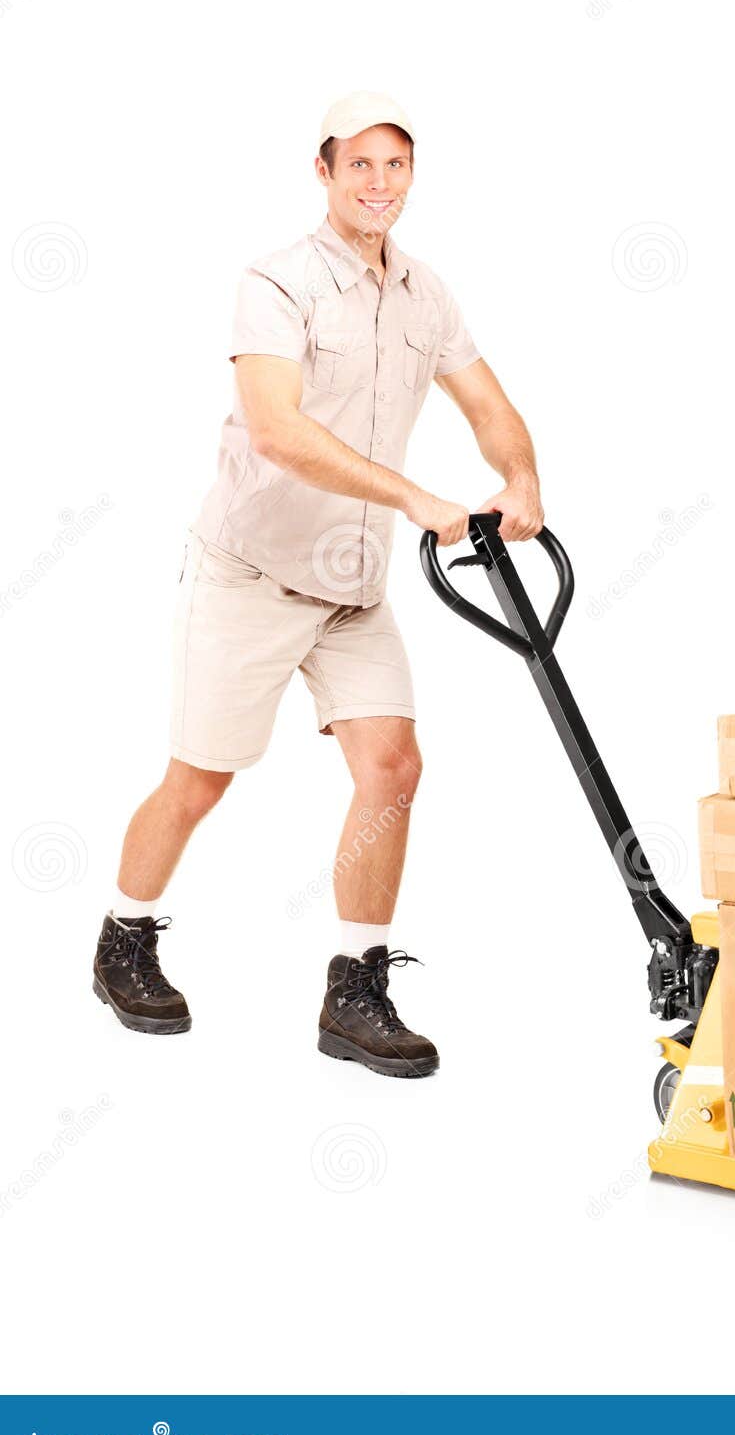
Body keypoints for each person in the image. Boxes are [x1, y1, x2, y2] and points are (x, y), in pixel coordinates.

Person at [92, 91, 543, 1078]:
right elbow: (277, 429)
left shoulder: (427, 293)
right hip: (249, 570)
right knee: (200, 779)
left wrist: (521, 477)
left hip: (353, 586)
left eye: (397, 167)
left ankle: (355, 984)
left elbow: (488, 403)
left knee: (392, 768)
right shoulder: (277, 281)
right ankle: (123, 936)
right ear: (325, 172)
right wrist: (418, 496)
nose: (380, 186)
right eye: (361, 167)